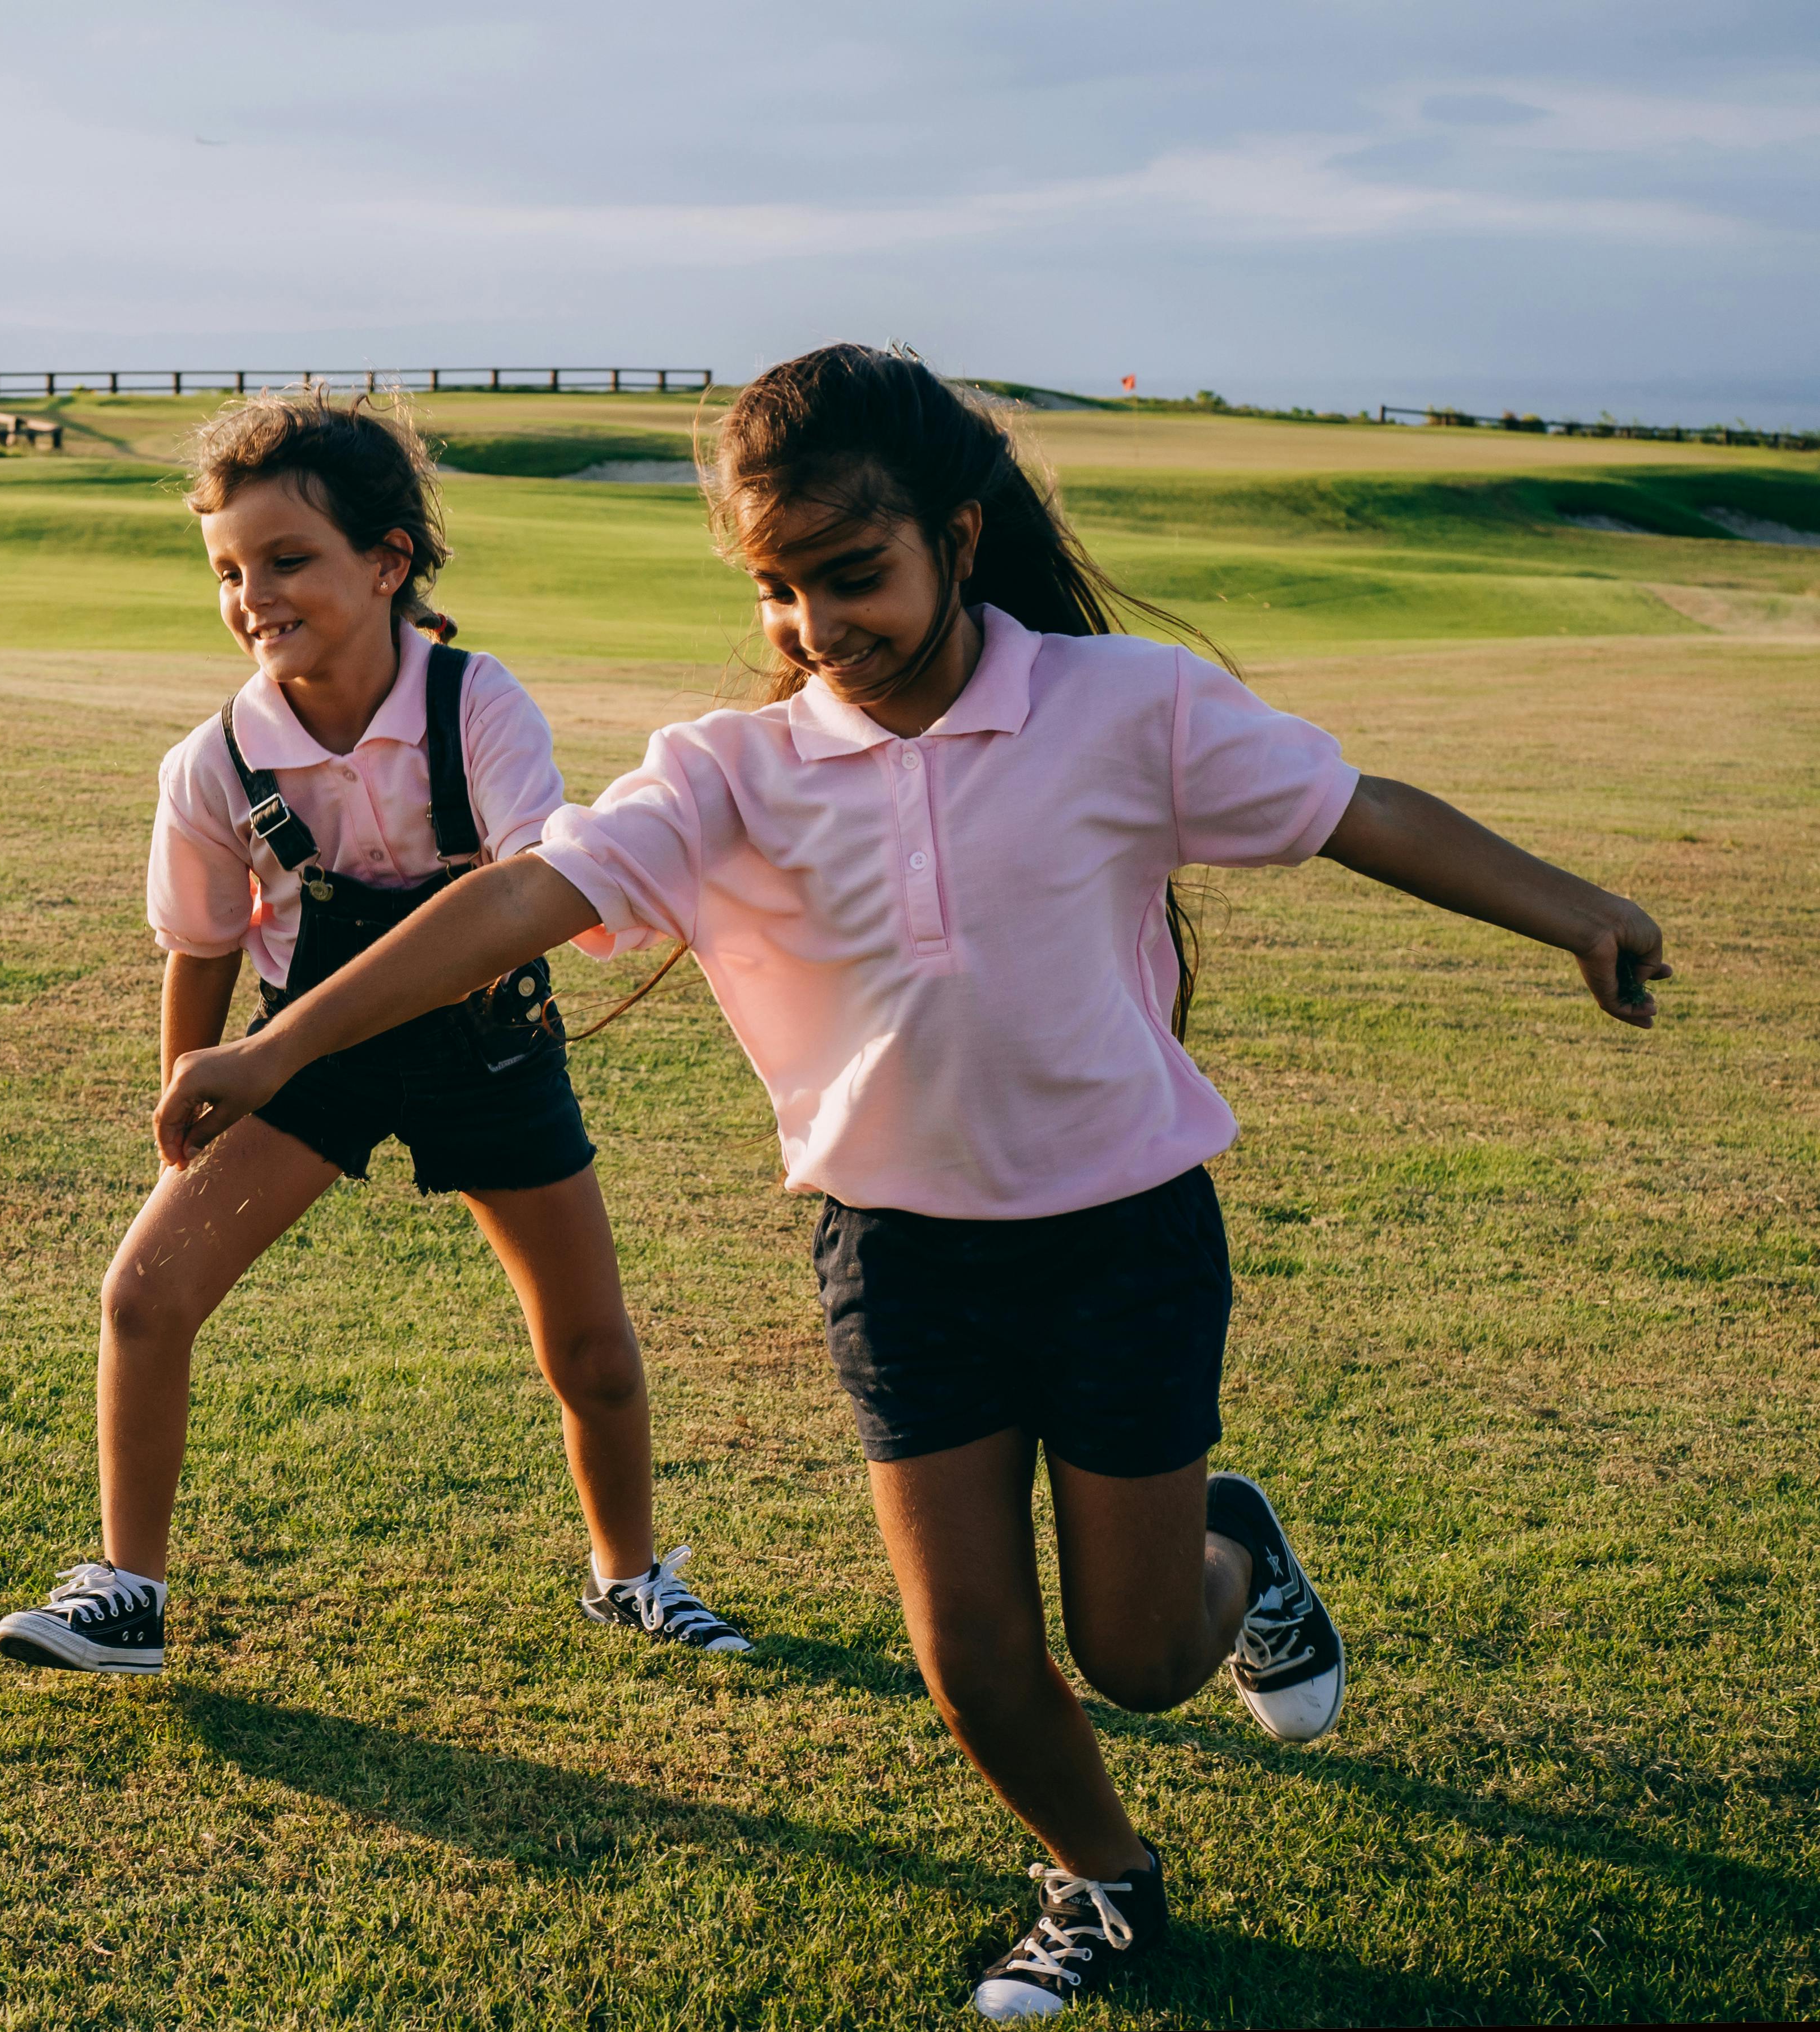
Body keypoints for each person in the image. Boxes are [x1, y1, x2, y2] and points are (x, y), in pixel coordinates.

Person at [149, 347, 1669, 2018]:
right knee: (967, 1660)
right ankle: (1101, 1881)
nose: (814, 625)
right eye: (777, 587)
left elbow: (1348, 811)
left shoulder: (1122, 704)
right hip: (897, 1252)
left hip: (1123, 1234)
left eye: (851, 574)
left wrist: (1571, 910)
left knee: (1141, 1656)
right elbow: (518, 900)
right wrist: (282, 1047)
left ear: (954, 535)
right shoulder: (728, 772)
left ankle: (1230, 1552)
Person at [0, 389, 747, 1677]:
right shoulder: (216, 761)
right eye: (229, 570)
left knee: (592, 1349)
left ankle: (629, 1574)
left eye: (289, 560)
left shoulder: (478, 703)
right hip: (304, 1061)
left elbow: (524, 898)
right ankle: (130, 1588)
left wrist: (270, 1050)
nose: (253, 596)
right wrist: (188, 1099)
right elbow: (206, 944)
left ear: (389, 561)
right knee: (143, 1293)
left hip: (491, 1047)